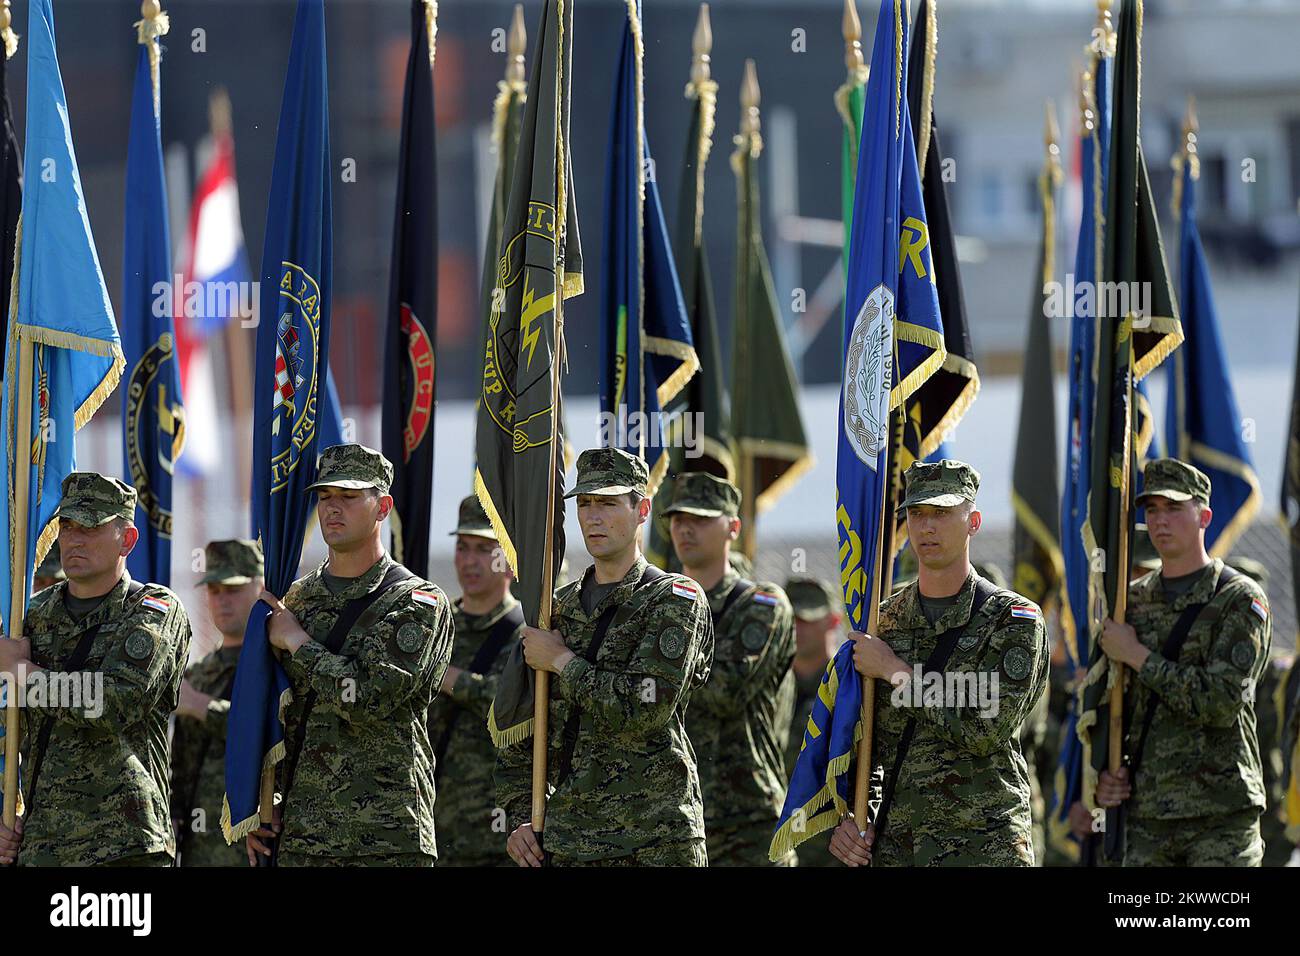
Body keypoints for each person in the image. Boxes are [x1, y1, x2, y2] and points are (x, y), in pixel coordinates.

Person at [496, 448, 714, 866]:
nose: (593, 517)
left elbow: (643, 707)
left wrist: (562, 661)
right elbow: (518, 724)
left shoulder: (674, 600)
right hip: (568, 842)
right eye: (585, 504)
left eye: (609, 503)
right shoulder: (554, 608)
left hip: (655, 840)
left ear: (642, 509)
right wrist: (518, 816)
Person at [827, 459, 1049, 867]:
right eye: (916, 513)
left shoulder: (1013, 620)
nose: (927, 526)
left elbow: (985, 726)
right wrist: (849, 818)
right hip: (900, 848)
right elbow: (863, 743)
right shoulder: (883, 621)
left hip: (985, 847)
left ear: (973, 521)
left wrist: (895, 671)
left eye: (942, 513)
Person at [244, 444, 453, 867]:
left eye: (349, 496)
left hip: (387, 836)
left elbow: (368, 697)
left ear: (383, 507)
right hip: (303, 836)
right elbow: (272, 709)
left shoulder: (416, 601)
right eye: (325, 497)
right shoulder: (296, 599)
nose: (332, 509)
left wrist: (299, 643)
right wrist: (261, 805)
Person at [0, 473, 191, 866]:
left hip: (125, 845)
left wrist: (22, 674)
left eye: (90, 526)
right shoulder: (30, 617)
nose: (74, 539)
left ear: (127, 539)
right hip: (42, 846)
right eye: (67, 526)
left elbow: (118, 701)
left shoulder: (153, 610)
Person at [1095, 458, 1271, 867]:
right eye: (1152, 510)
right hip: (1146, 814)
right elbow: (1108, 702)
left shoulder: (1240, 600)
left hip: (1220, 815)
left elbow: (1222, 701)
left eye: (1174, 508)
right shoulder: (1129, 603)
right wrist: (1102, 774)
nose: (1160, 520)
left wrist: (1138, 656)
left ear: (1204, 515)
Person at [666, 471, 796, 866]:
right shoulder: (659, 606)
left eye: (702, 519)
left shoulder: (761, 605)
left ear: (733, 527)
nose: (686, 529)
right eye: (678, 519)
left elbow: (724, 690)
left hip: (748, 817)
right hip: (676, 815)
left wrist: (651, 677)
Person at [427, 494, 524, 866]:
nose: (469, 561)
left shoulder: (528, 632)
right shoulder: (434, 626)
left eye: (484, 549)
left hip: (498, 834)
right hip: (436, 826)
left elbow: (510, 704)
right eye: (462, 547)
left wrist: (445, 676)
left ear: (510, 561)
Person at [170, 539, 264, 866]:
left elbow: (269, 736)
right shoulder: (197, 674)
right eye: (215, 590)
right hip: (202, 848)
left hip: (258, 845)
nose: (222, 600)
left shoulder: (276, 668)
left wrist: (201, 707)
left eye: (233, 589)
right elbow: (182, 764)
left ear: (260, 587)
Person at [784, 574, 843, 867]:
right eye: (792, 618)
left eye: (807, 619)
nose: (797, 628)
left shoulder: (851, 689)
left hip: (831, 851)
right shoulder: (771, 687)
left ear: (833, 621)